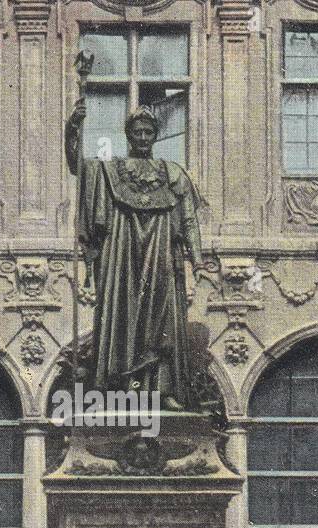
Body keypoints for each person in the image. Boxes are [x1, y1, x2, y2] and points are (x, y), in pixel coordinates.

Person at [65, 100, 204, 410]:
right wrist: (72, 128)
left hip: (161, 256)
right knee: (120, 318)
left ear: (155, 136)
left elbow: (189, 219)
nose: (143, 137)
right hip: (122, 257)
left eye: (148, 132)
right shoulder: (111, 169)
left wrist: (198, 259)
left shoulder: (172, 173)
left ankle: (163, 392)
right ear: (129, 136)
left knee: (163, 320)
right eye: (138, 132)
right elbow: (78, 167)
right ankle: (119, 388)